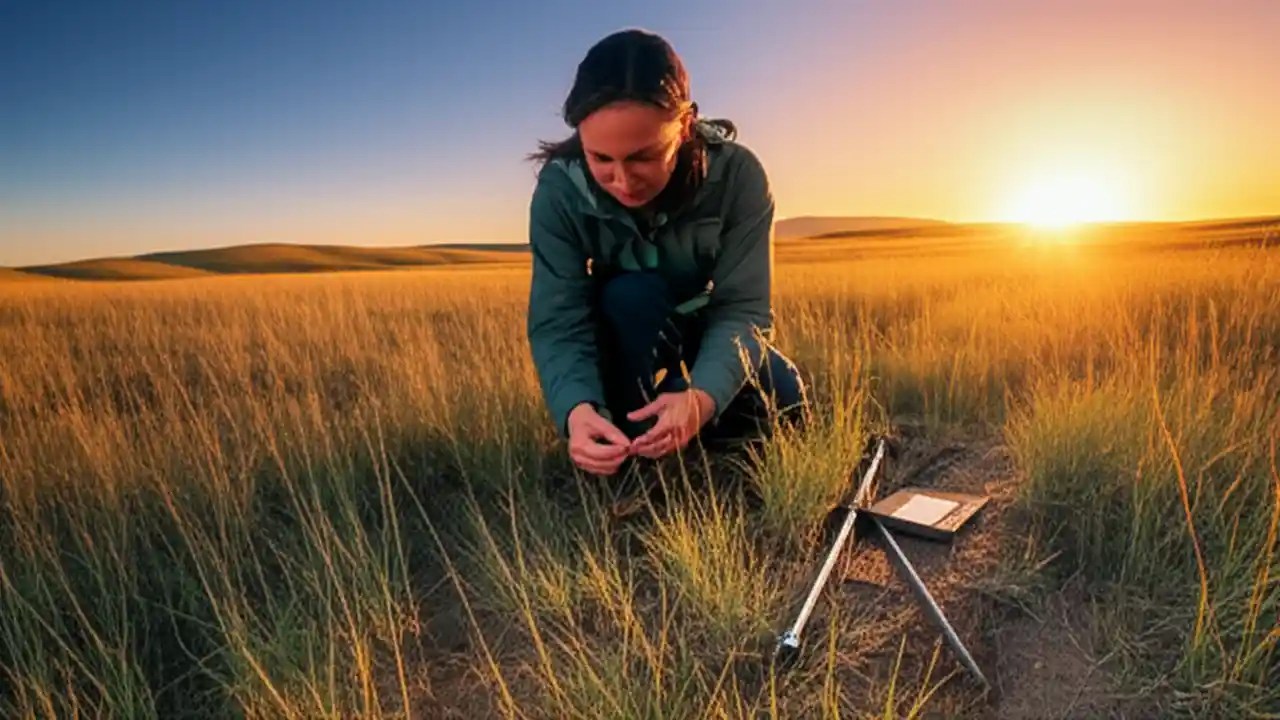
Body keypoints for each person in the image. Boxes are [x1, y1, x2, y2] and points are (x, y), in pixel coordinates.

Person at [525, 28, 808, 478]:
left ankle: (687, 408)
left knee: (785, 403)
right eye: (600, 159)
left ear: (686, 127)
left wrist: (700, 400)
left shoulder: (740, 176)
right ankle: (628, 428)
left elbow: (743, 309)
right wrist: (577, 410)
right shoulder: (558, 193)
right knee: (630, 295)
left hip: (702, 323)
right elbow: (558, 319)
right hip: (621, 331)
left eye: (643, 157)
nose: (622, 180)